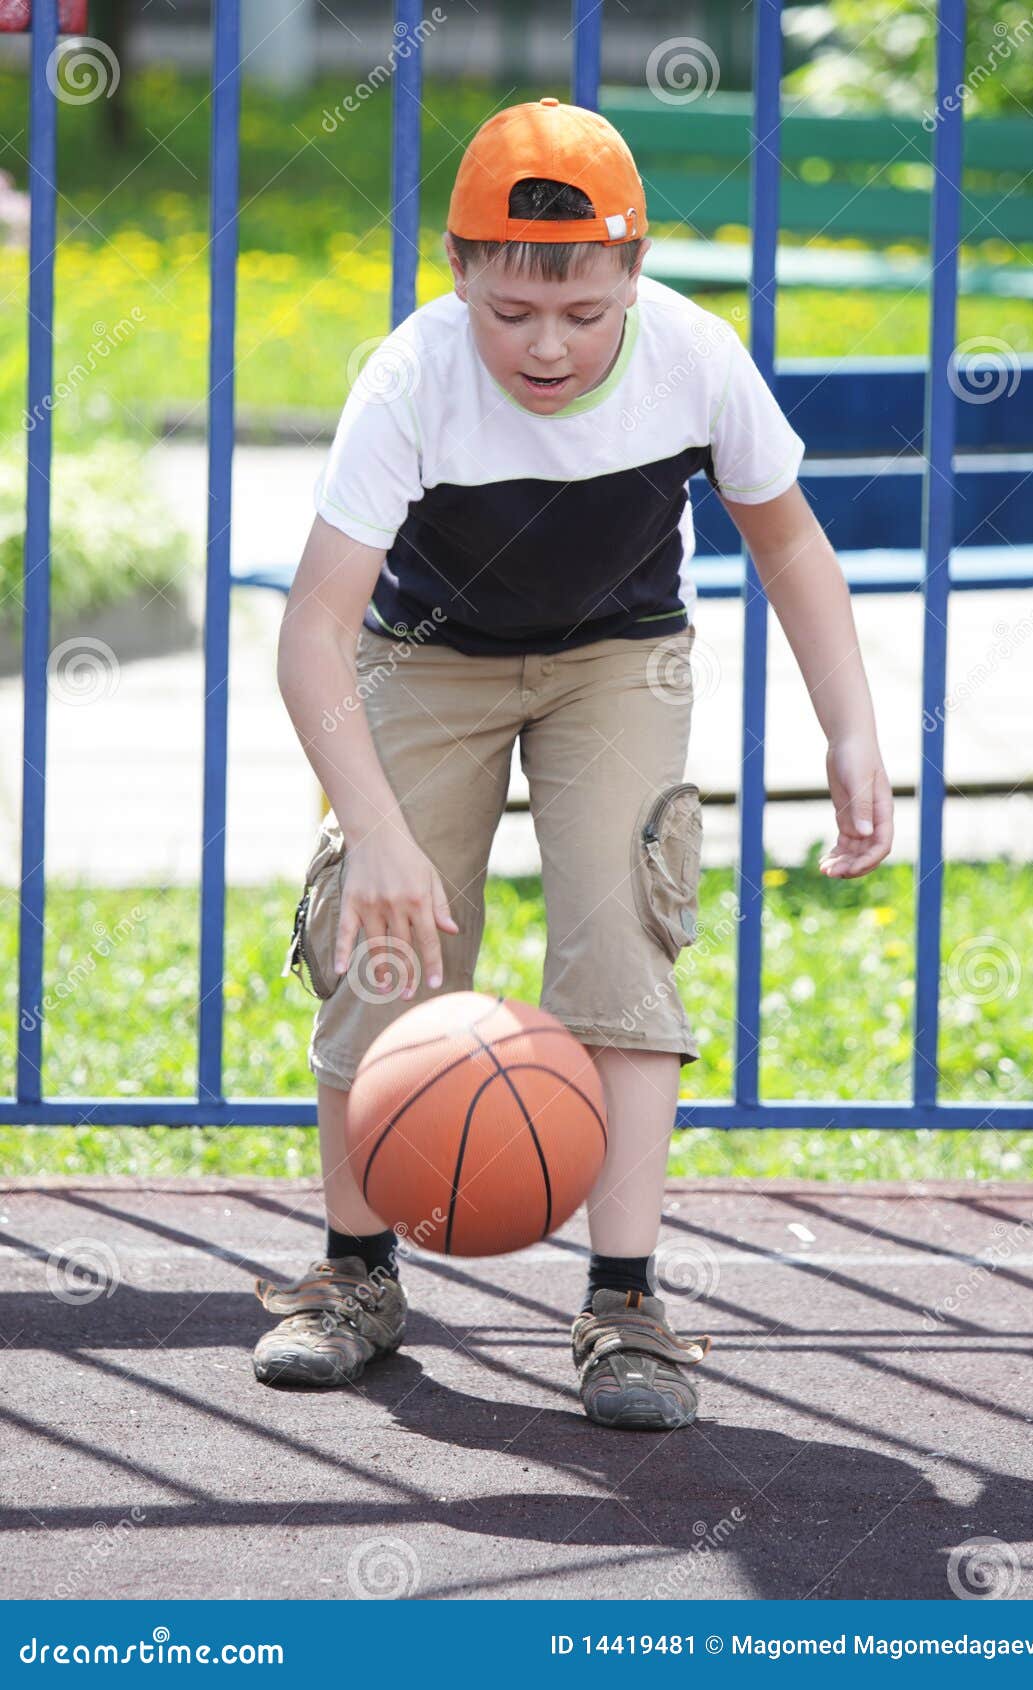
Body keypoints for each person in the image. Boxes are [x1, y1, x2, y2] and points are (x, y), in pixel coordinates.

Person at [252, 98, 893, 1429]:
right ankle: (355, 1274)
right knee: (386, 938)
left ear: (633, 277)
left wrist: (854, 729)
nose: (548, 345)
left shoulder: (696, 360)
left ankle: (624, 1301)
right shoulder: (412, 376)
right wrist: (372, 830)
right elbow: (313, 631)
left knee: (620, 933)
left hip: (618, 653)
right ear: (459, 271)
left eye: (584, 313)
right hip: (427, 653)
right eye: (513, 313)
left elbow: (790, 545)